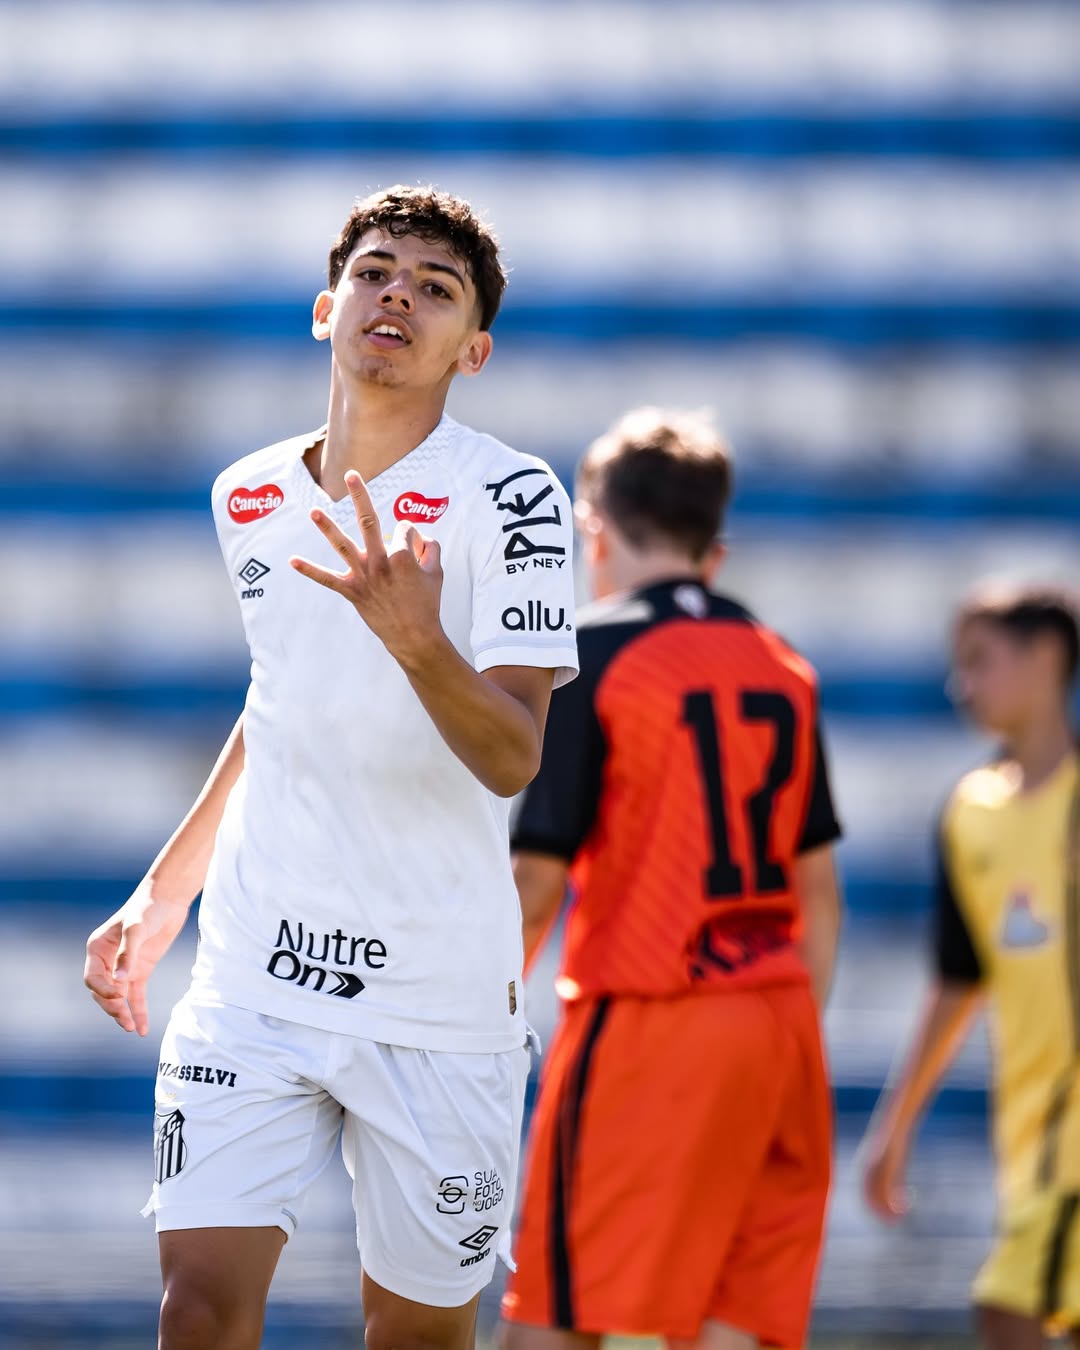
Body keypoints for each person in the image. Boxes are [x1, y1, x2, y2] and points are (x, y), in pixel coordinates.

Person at [82, 185, 578, 1350]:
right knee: (197, 1309)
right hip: (256, 977)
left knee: (413, 1334)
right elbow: (280, 701)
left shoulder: (515, 500)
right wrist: (169, 887)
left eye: (435, 287)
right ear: (326, 308)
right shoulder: (247, 493)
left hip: (437, 1000)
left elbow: (511, 754)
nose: (397, 292)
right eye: (375, 271)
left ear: (476, 348)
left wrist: (416, 637)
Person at [499, 408, 844, 1350]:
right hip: (778, 1023)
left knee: (557, 1319)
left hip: (651, 1012)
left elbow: (538, 881)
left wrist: (473, 1027)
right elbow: (819, 894)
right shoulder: (784, 667)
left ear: (595, 528)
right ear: (714, 550)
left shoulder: (590, 656)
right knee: (733, 1325)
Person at [862, 584, 1080, 1349]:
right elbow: (959, 979)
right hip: (1028, 1131)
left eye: (981, 661)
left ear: (1046, 656)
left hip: (1073, 1138)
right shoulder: (971, 810)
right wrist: (895, 1128)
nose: (964, 685)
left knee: (1008, 1306)